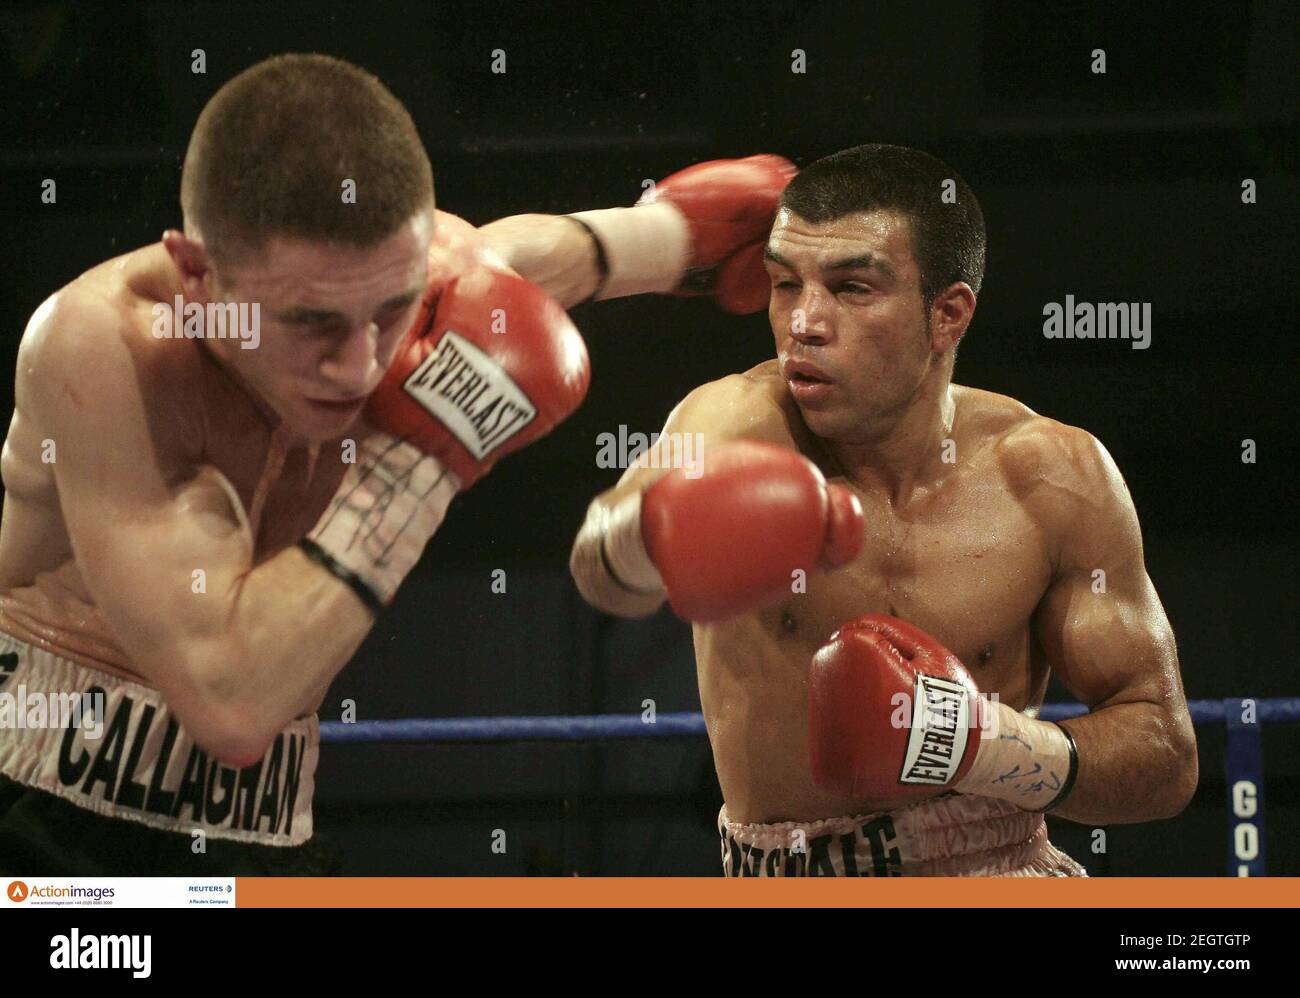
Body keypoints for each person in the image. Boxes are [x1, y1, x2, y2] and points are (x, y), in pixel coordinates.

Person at [0, 52, 793, 875]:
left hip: (267, 833)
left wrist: (678, 233)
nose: (357, 364)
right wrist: (423, 459)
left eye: (391, 311)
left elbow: (544, 255)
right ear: (199, 274)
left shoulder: (438, 281)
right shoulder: (102, 349)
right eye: (310, 322)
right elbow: (229, 705)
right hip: (40, 822)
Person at [570, 143, 1198, 876]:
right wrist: (646, 537)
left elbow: (1164, 759)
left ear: (948, 315)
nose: (803, 322)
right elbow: (599, 570)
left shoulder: (1053, 478)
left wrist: (979, 746)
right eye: (783, 283)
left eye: (852, 288)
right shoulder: (731, 426)